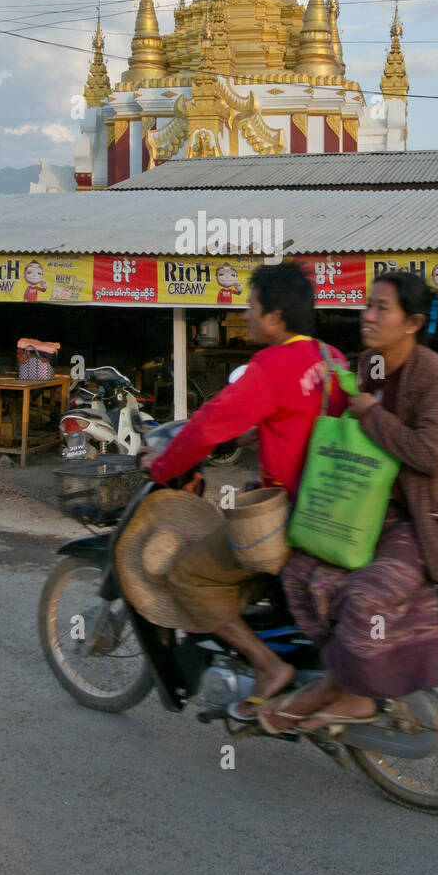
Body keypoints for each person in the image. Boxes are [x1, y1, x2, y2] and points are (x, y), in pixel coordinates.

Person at [261, 270, 438, 734]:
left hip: (426, 519)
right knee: (298, 570)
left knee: (365, 594)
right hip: (373, 512)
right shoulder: (369, 363)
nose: (366, 315)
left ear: (412, 322)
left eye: (380, 308)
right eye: (367, 304)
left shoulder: (435, 374)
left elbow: (431, 455)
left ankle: (346, 695)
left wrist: (373, 414)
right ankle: (343, 677)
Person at [143, 262, 346, 719]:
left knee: (187, 574)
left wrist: (160, 467)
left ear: (275, 314)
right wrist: (262, 433)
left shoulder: (271, 364)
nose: (245, 315)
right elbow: (306, 421)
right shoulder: (332, 357)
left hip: (284, 518)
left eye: (250, 307)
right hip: (327, 511)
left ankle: (267, 665)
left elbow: (206, 427)